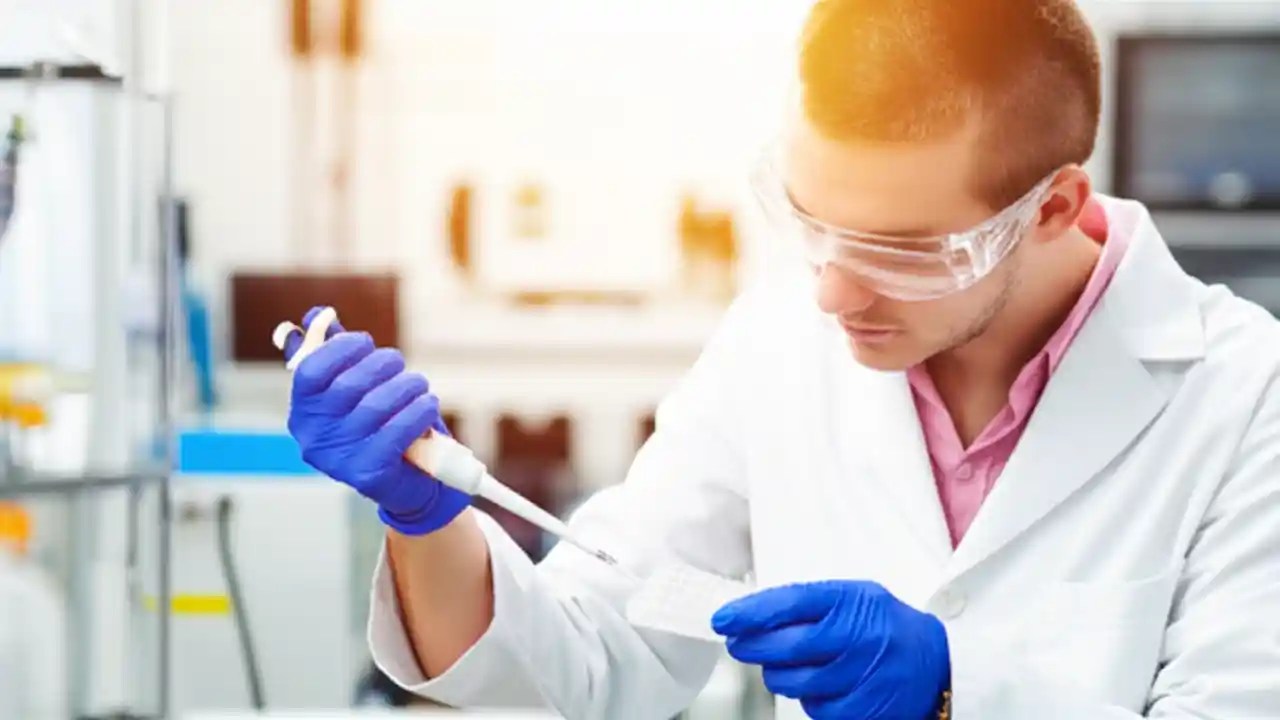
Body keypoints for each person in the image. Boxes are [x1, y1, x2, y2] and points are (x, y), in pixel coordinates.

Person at [281, 1, 1280, 718]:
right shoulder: (777, 344)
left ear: (1051, 207)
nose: (832, 293)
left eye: (898, 250)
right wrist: (425, 513)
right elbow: (588, 662)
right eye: (812, 226)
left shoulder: (1241, 395)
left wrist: (955, 688)